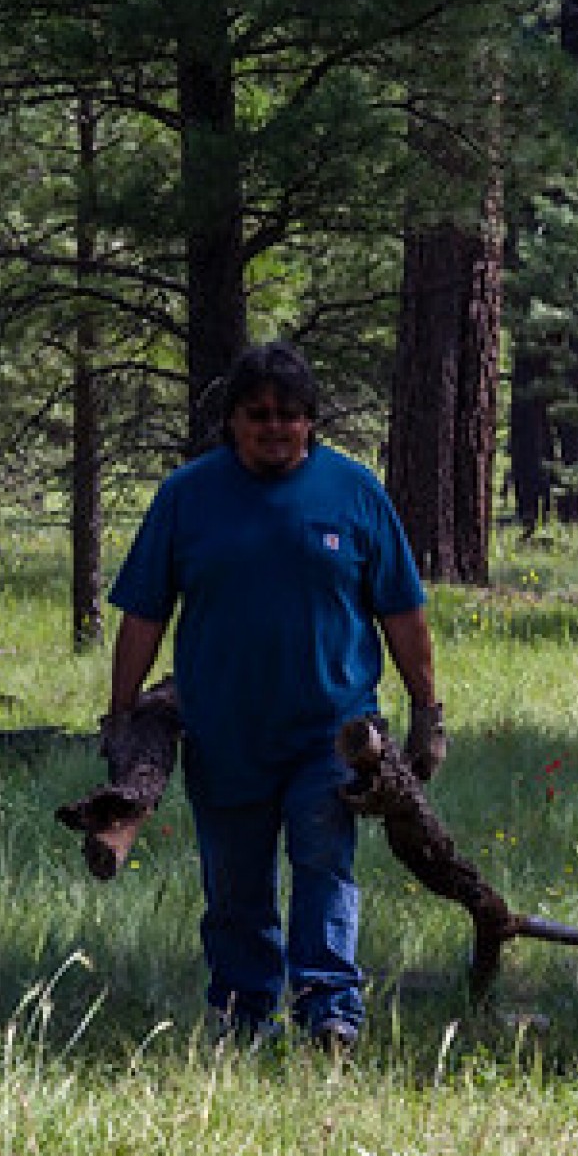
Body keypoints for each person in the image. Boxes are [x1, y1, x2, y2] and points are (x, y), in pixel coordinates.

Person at [104, 342, 440, 1054]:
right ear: (231, 421)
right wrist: (122, 713)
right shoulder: (187, 495)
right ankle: (242, 1012)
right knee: (234, 885)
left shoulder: (355, 492)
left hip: (333, 731)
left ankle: (330, 1014)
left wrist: (428, 714)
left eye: (289, 415)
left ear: (311, 421)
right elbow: (143, 611)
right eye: (257, 415)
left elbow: (403, 611)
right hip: (223, 731)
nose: (274, 428)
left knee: (324, 865)